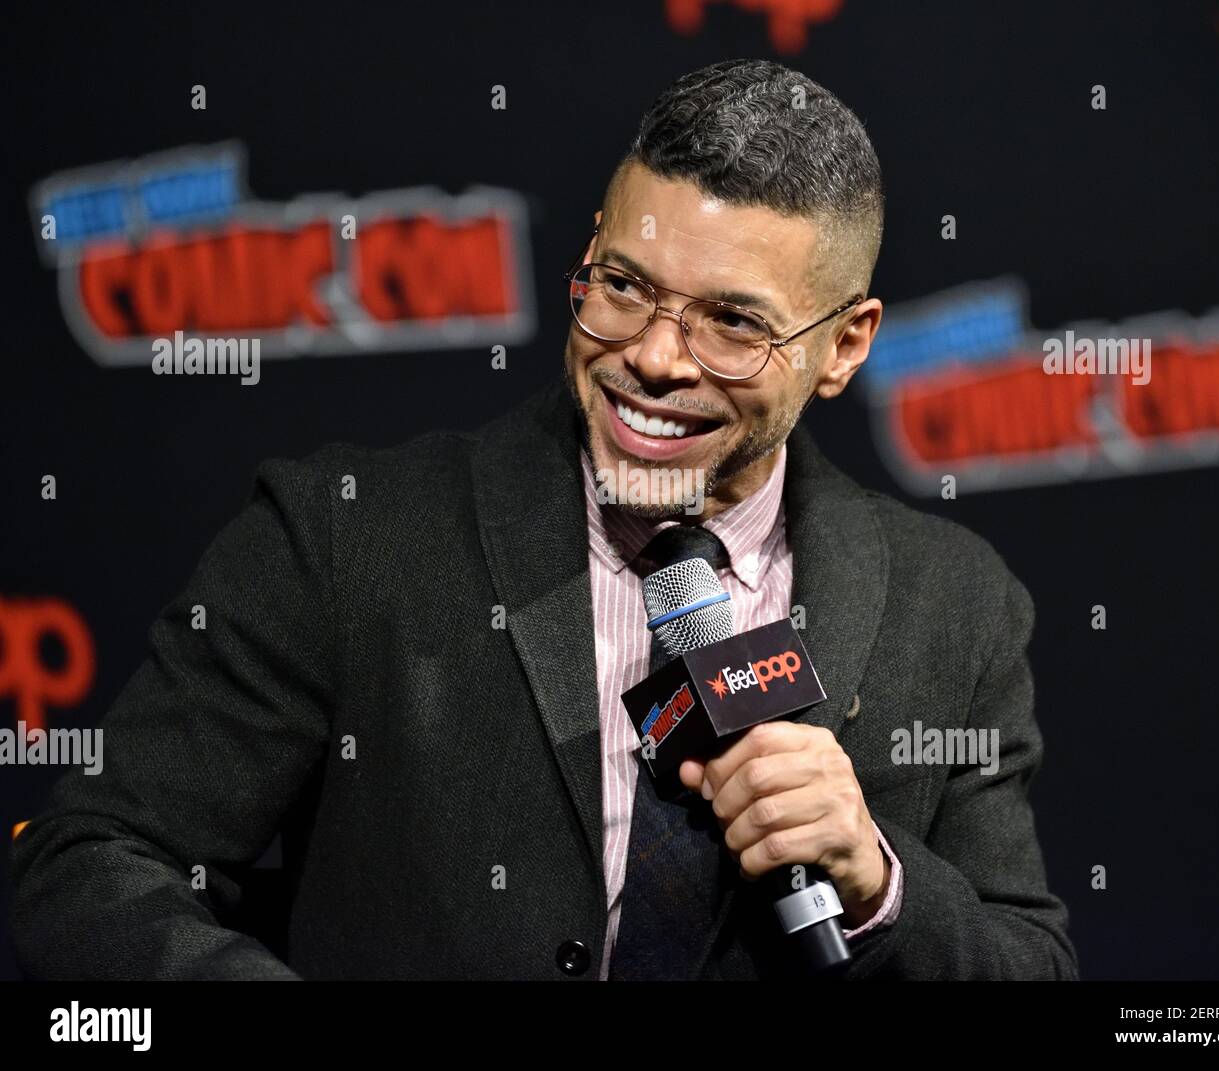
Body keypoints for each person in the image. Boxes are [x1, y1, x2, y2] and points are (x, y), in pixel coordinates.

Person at [10, 58, 1077, 980]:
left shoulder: (957, 602)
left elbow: (1028, 962)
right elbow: (92, 865)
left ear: (843, 346)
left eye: (731, 324)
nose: (655, 358)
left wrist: (874, 879)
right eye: (623, 286)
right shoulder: (343, 535)